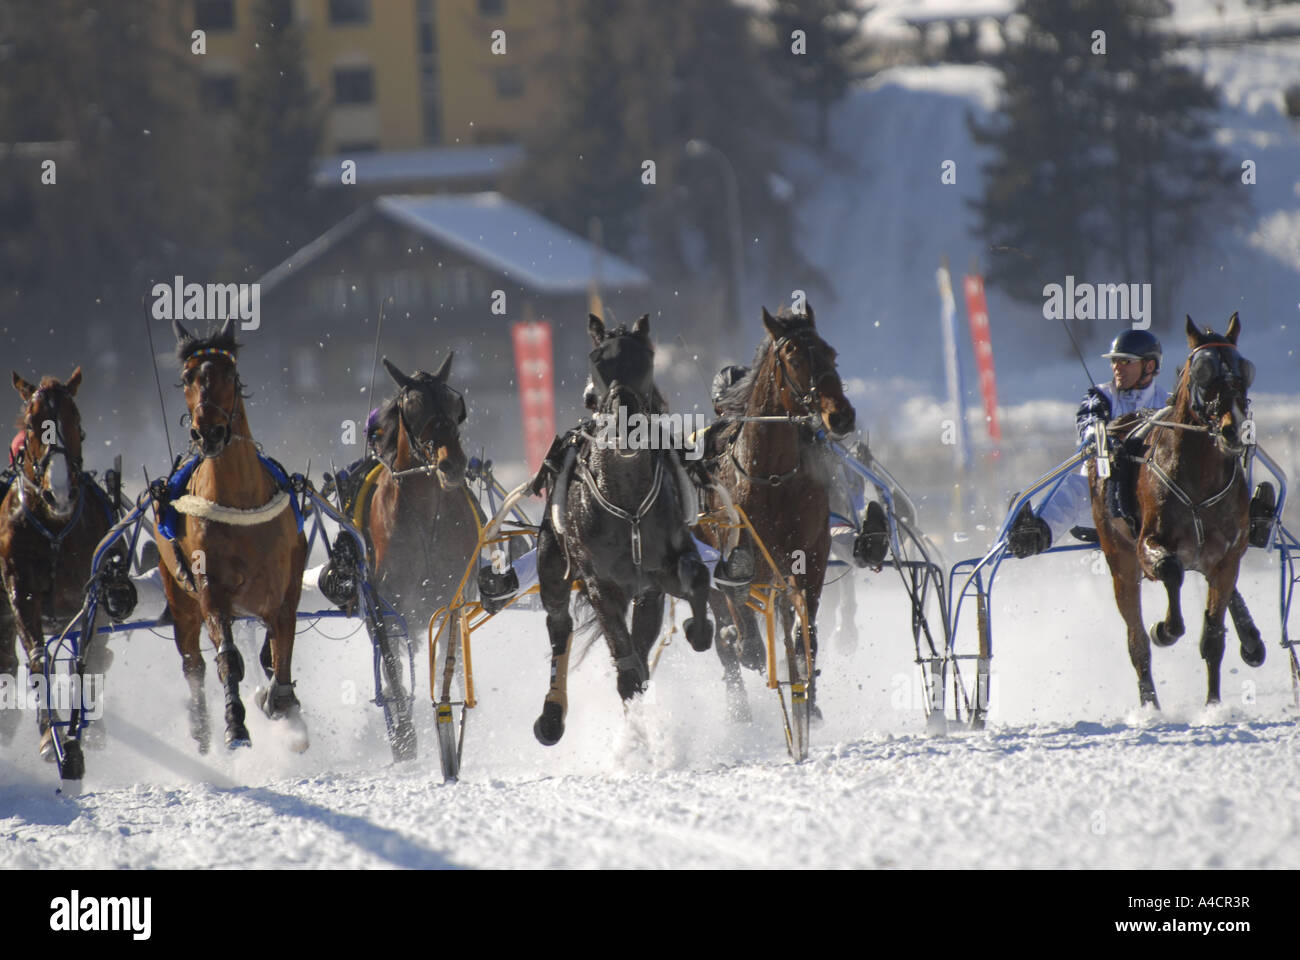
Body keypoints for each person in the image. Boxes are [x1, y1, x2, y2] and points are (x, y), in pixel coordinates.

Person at [1007, 329, 1168, 558]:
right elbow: (1089, 421)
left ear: (1149, 367)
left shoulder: (1168, 404)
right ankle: (1034, 535)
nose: (1116, 367)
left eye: (1125, 361)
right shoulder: (1101, 397)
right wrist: (1096, 435)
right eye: (1114, 361)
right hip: (1105, 503)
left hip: (1152, 505)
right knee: (1076, 486)